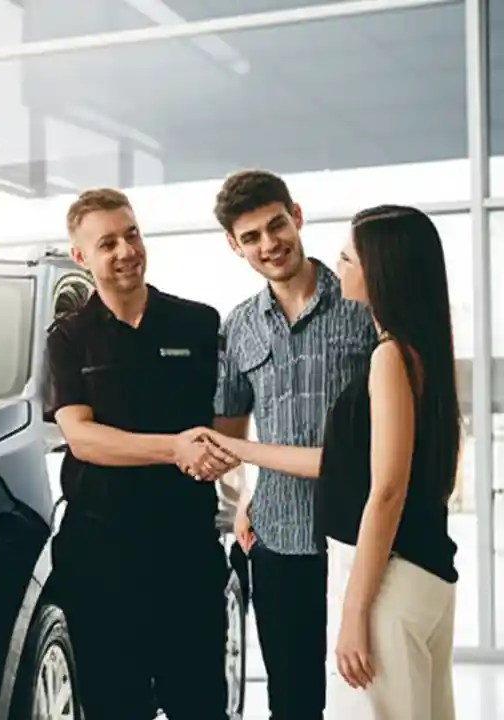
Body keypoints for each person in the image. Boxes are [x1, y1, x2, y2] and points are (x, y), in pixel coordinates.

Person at [203, 205, 459, 720]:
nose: (337, 265)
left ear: (380, 271)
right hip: (420, 572)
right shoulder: (420, 350)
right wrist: (250, 477)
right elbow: (363, 466)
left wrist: (353, 611)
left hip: (388, 577)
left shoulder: (387, 355)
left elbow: (384, 490)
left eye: (347, 257)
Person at [46, 187, 238, 720]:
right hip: (101, 557)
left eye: (131, 235)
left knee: (199, 704)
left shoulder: (197, 324)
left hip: (187, 551)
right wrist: (175, 447)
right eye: (108, 243)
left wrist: (232, 471)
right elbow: (82, 437)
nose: (126, 250)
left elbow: (228, 420)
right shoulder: (68, 338)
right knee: (115, 707)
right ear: (82, 257)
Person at [210, 170, 377, 720]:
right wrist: (240, 505)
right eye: (251, 236)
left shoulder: (362, 307)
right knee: (293, 699)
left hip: (362, 533)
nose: (269, 244)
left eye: (275, 225)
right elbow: (230, 437)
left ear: (296, 216)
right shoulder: (237, 329)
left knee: (374, 688)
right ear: (235, 247)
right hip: (278, 538)